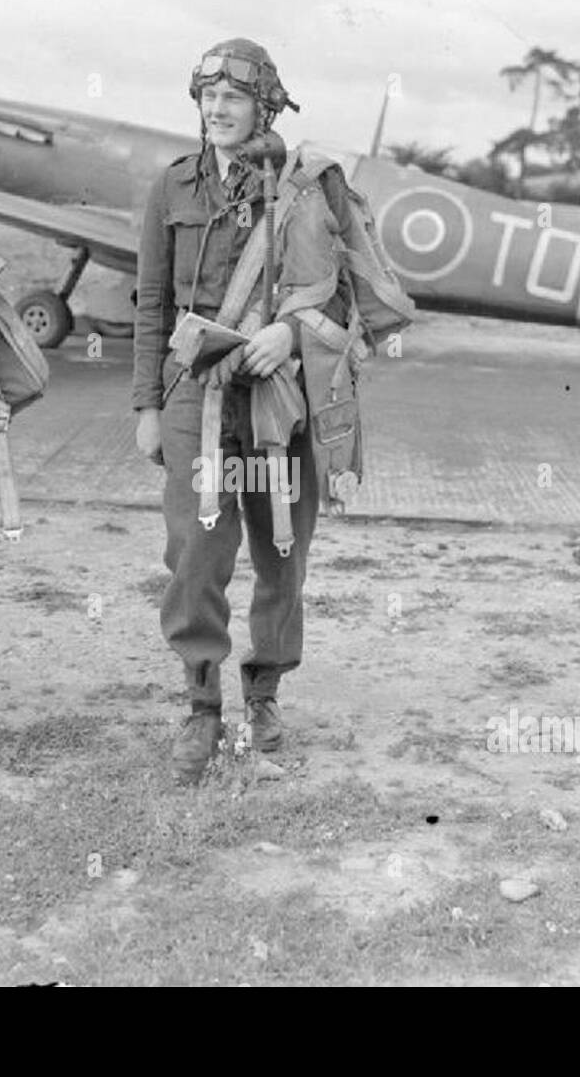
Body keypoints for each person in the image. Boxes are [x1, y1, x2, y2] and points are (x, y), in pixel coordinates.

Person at [133, 39, 361, 784]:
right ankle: (201, 707)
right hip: (193, 396)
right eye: (207, 98)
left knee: (281, 552)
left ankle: (264, 693)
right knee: (195, 557)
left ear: (265, 105)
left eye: (233, 98)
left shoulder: (302, 189)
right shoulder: (171, 188)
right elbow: (151, 306)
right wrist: (145, 404)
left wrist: (286, 332)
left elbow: (339, 294)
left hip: (279, 398)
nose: (217, 110)